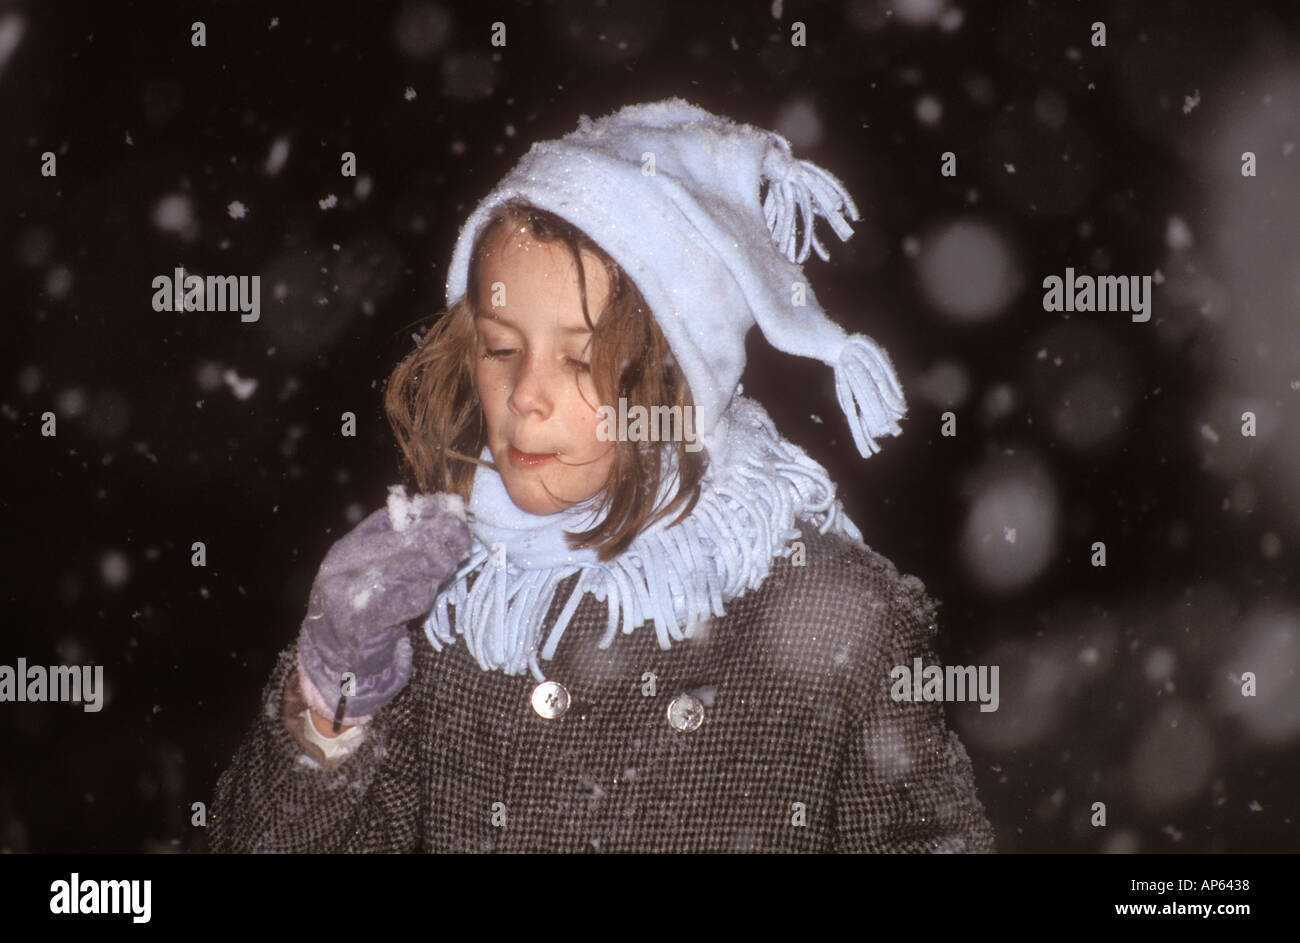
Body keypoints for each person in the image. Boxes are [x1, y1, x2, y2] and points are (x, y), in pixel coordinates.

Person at [209, 97, 997, 853]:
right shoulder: (443, 613)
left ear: (680, 379)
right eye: (500, 346)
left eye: (581, 359)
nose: (523, 396)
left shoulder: (837, 621)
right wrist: (331, 706)